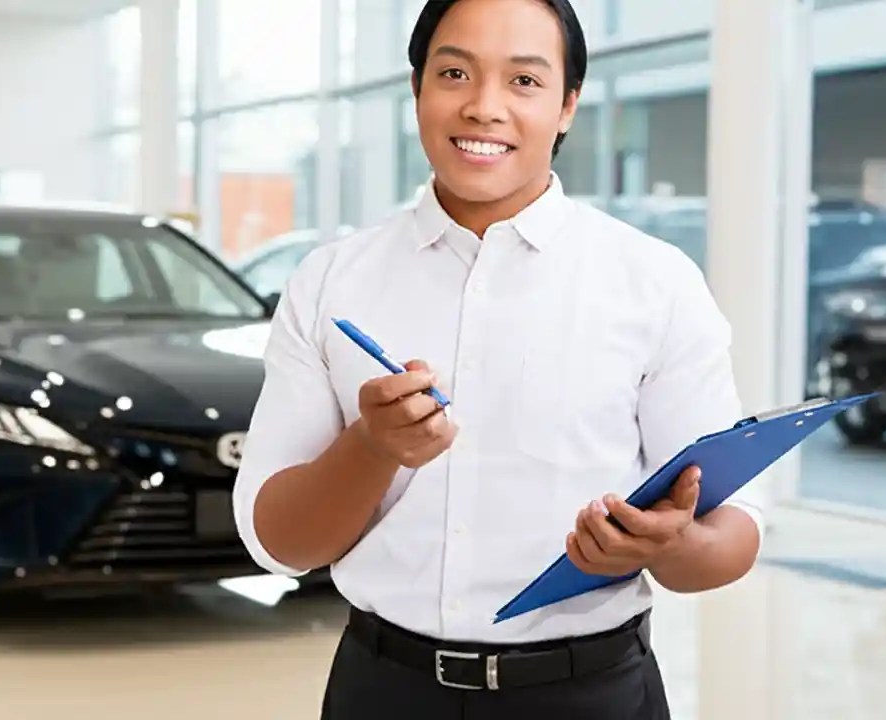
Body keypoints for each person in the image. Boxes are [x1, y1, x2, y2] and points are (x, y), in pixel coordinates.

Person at [231, 1, 766, 718]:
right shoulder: (332, 281)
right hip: (383, 688)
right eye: (454, 72)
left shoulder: (655, 283)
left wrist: (665, 547)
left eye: (524, 81)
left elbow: (732, 536)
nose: (484, 107)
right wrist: (372, 447)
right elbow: (282, 542)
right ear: (417, 89)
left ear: (568, 104)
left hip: (592, 692)